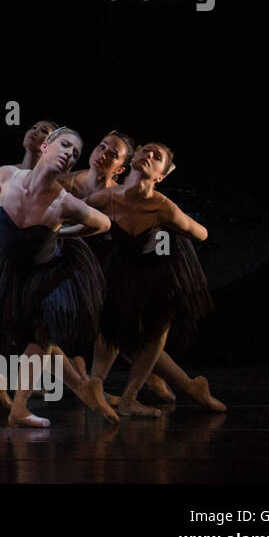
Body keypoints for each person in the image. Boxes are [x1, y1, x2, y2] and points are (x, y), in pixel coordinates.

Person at [0, 127, 118, 427]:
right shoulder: (5, 176)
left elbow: (103, 224)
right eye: (65, 145)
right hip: (11, 269)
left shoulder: (64, 202)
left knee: (41, 335)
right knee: (36, 338)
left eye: (75, 153)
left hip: (50, 272)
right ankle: (83, 388)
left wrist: (66, 232)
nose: (69, 154)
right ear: (45, 147)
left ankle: (20, 406)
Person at [86, 142, 223, 418]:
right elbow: (75, 215)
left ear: (160, 176)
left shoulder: (164, 208)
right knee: (113, 329)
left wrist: (176, 228)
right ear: (134, 157)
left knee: (156, 330)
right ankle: (96, 388)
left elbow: (203, 234)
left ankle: (129, 398)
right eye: (146, 150)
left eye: (157, 156)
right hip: (123, 268)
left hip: (158, 270)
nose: (149, 155)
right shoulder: (105, 199)